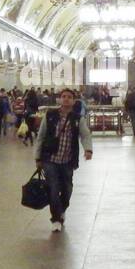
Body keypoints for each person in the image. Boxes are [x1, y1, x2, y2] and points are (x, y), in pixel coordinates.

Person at [34, 87, 94, 233]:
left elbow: (85, 135)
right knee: (53, 188)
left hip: (67, 160)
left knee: (67, 188)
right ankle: (56, 219)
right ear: (60, 99)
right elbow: (41, 136)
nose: (66, 99)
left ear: (74, 101)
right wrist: (37, 156)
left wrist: (88, 149)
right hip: (50, 159)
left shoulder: (77, 119)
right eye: (63, 96)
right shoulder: (50, 115)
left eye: (69, 97)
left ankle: (61, 208)